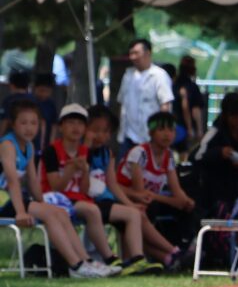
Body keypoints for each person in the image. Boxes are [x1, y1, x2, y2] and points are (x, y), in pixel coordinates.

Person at [0, 100, 113, 277]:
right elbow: (13, 180)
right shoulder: (7, 145)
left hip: (15, 199)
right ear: (13, 124)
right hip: (5, 200)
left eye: (33, 123)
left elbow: (32, 181)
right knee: (51, 214)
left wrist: (43, 202)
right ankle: (75, 265)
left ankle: (86, 261)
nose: (29, 128)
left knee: (59, 212)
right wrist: (21, 212)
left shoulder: (28, 146)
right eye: (23, 123)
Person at [41, 103, 155, 275]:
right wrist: (72, 169)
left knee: (131, 213)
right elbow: (56, 187)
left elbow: (84, 189)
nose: (76, 128)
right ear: (61, 126)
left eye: (80, 124)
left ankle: (137, 259)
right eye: (71, 123)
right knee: (92, 209)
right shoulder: (52, 151)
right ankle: (108, 258)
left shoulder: (84, 151)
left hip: (79, 198)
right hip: (57, 199)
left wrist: (84, 170)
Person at [85, 105, 178, 269]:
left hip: (109, 202)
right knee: (138, 213)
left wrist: (131, 205)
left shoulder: (108, 153)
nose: (101, 136)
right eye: (96, 130)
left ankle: (144, 258)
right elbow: (138, 190)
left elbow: (112, 185)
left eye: (106, 131)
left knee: (136, 212)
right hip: (91, 203)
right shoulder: (139, 153)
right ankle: (171, 252)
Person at [117, 111, 199, 249]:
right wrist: (174, 201)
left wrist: (185, 201)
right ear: (151, 133)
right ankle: (170, 251)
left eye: (171, 130)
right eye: (161, 129)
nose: (167, 134)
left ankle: (187, 246)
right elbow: (140, 192)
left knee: (188, 208)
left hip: (152, 199)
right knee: (151, 206)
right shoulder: (139, 153)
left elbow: (176, 188)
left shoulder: (170, 156)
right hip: (129, 198)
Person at [118, 38, 174, 155]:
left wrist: (161, 132)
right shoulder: (128, 75)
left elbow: (165, 105)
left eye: (136, 53)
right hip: (128, 136)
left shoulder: (159, 75)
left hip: (150, 138)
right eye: (131, 53)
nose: (133, 57)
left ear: (148, 53)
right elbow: (122, 102)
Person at [174, 56, 207, 153]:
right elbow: (192, 109)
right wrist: (196, 129)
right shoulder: (191, 86)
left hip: (173, 124)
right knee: (185, 153)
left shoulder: (174, 84)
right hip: (185, 127)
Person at [31, 72, 58, 155]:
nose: (44, 94)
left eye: (47, 91)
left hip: (46, 140)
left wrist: (51, 141)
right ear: (35, 88)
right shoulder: (30, 102)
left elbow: (54, 124)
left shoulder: (51, 104)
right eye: (41, 90)